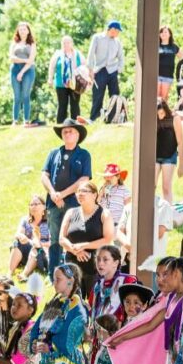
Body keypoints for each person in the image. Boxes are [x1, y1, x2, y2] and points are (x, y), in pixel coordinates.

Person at [42, 118, 91, 278]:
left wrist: (62, 194)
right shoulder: (53, 153)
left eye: (71, 131)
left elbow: (84, 180)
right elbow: (44, 175)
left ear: (78, 135)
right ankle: (54, 275)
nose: (67, 133)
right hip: (53, 204)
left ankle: (74, 275)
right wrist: (53, 193)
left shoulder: (83, 155)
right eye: (65, 131)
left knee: (74, 239)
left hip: (74, 204)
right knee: (55, 240)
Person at [59, 181, 115, 298]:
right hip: (72, 266)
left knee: (95, 302)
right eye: (78, 191)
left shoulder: (104, 214)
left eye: (84, 191)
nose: (80, 194)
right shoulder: (70, 212)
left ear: (94, 195)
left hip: (96, 266)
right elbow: (62, 239)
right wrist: (76, 250)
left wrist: (84, 246)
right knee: (72, 302)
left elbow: (108, 239)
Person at [88, 21, 125, 123]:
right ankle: (94, 118)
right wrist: (90, 69)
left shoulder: (117, 42)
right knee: (98, 95)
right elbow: (91, 54)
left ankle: (114, 118)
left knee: (115, 95)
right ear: (112, 29)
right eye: (117, 31)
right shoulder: (97, 38)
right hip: (100, 70)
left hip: (113, 71)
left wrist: (119, 69)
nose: (118, 33)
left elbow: (121, 57)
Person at [9, 195, 49, 281]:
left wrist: (33, 242)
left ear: (44, 206)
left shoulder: (47, 223)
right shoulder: (25, 220)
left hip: (42, 254)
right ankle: (9, 273)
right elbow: (17, 233)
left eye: (36, 204)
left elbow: (50, 242)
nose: (33, 206)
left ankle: (24, 274)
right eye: (31, 204)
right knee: (17, 242)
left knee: (35, 248)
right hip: (25, 253)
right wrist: (21, 236)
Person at [154, 98, 183, 206]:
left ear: (166, 110)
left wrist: (181, 165)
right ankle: (151, 211)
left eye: (161, 113)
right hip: (155, 155)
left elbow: (180, 142)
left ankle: (168, 213)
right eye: (157, 114)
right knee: (151, 185)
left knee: (166, 187)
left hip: (169, 156)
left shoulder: (174, 118)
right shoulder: (155, 119)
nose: (160, 116)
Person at [48, 36, 85, 123]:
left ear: (72, 44)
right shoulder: (57, 54)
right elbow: (52, 67)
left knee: (75, 104)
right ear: (61, 44)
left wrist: (87, 78)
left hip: (75, 83)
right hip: (61, 83)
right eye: (64, 43)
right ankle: (61, 123)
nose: (66, 44)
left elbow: (84, 66)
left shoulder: (77, 54)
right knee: (62, 104)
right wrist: (50, 78)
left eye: (68, 42)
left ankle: (75, 122)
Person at [9, 22, 36, 126]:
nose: (22, 31)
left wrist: (22, 72)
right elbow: (11, 58)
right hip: (14, 70)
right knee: (16, 96)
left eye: (24, 29)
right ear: (18, 31)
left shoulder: (32, 44)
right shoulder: (14, 43)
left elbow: (31, 61)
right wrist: (25, 60)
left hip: (28, 71)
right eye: (20, 29)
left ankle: (26, 120)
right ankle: (15, 120)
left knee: (25, 95)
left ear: (28, 31)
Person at [98, 163, 130, 238]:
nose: (107, 179)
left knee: (116, 248)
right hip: (102, 226)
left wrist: (125, 226)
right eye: (106, 177)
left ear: (118, 176)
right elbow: (96, 206)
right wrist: (100, 194)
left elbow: (128, 209)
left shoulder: (124, 190)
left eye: (110, 177)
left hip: (117, 226)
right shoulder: (103, 189)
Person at [157, 26, 183, 99]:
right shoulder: (156, 45)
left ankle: (163, 110)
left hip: (168, 75)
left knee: (164, 97)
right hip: (156, 74)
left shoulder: (173, 46)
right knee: (156, 97)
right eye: (161, 32)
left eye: (165, 32)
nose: (163, 33)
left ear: (170, 34)